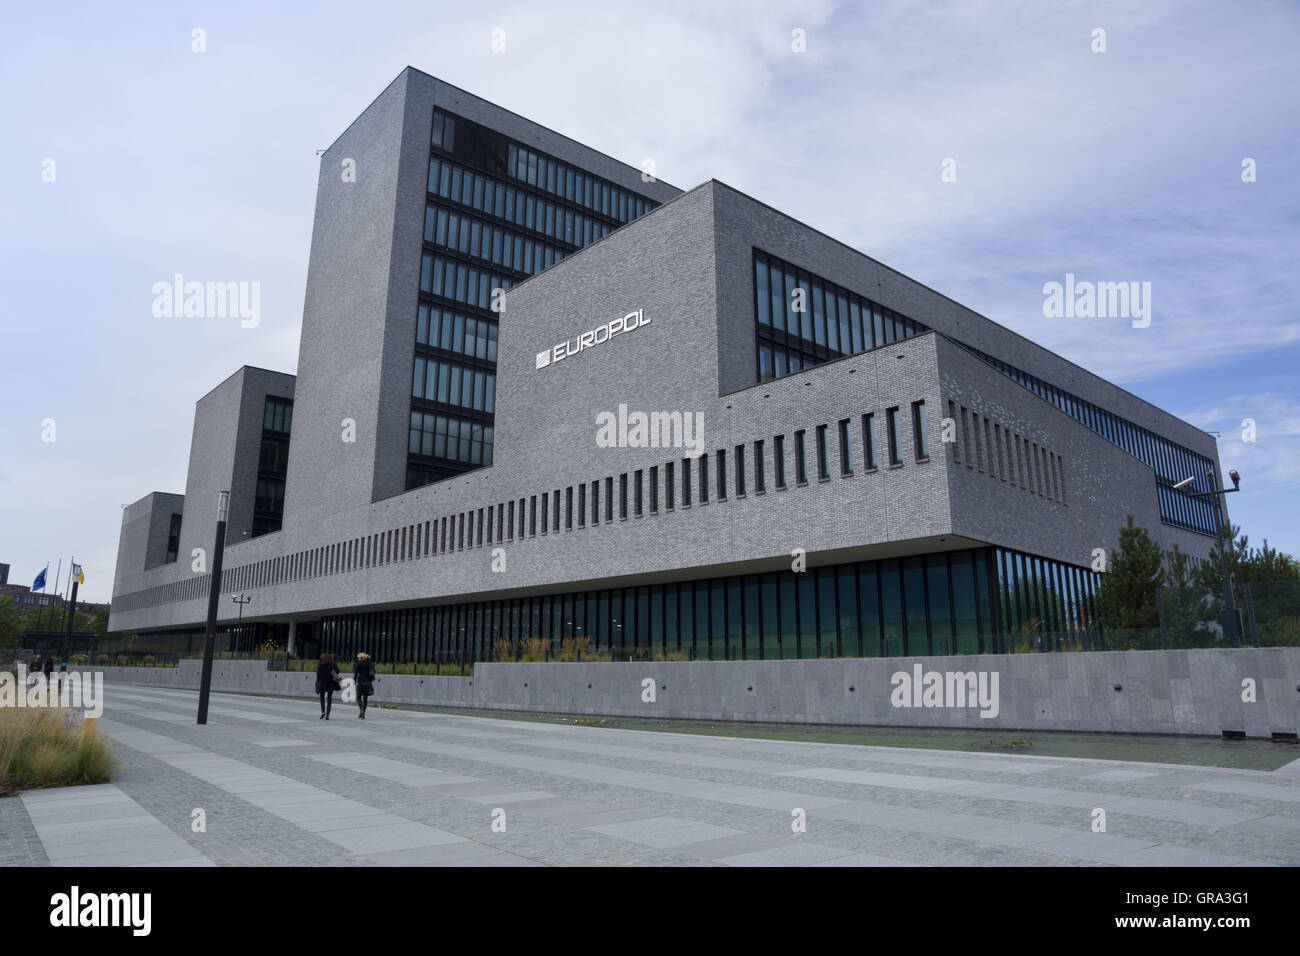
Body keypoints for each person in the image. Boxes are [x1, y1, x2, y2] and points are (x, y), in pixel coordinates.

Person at [315, 653, 341, 719]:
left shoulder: (320, 664)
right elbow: (338, 671)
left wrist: (317, 682)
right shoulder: (332, 663)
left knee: (322, 697)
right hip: (330, 683)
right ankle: (327, 714)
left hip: (322, 683)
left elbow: (318, 674)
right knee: (329, 698)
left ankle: (323, 712)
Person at [353, 652, 376, 718]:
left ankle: (361, 710)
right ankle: (363, 713)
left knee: (358, 698)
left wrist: (354, 681)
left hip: (360, 682)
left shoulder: (358, 663)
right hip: (367, 683)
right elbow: (373, 672)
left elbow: (356, 674)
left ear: (360, 657)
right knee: (365, 698)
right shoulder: (370, 663)